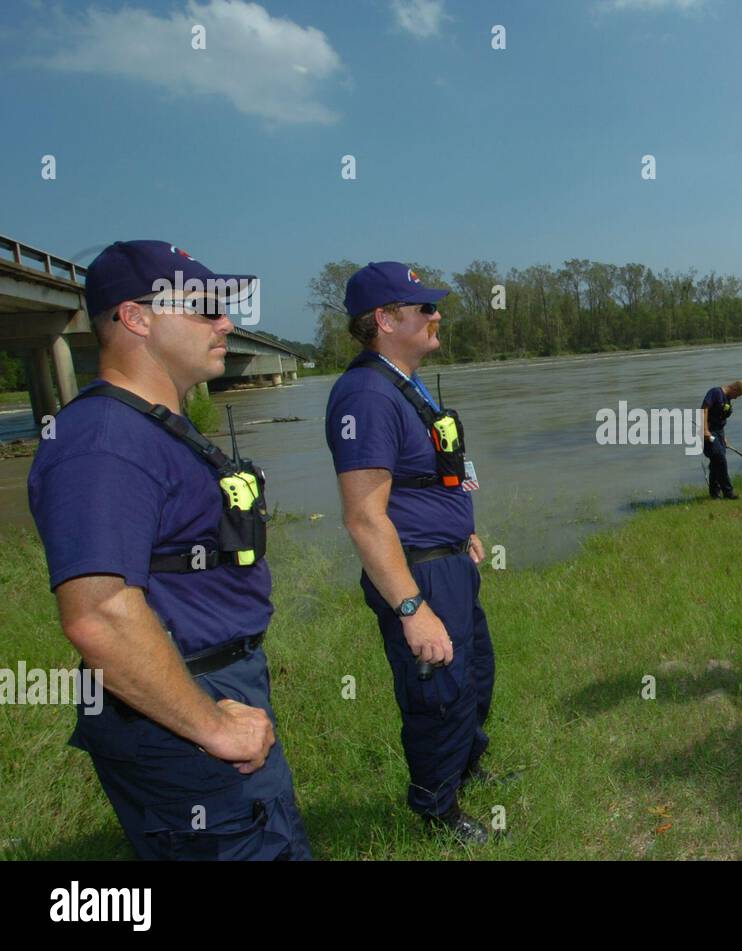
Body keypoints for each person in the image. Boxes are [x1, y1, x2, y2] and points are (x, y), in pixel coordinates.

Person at [27, 240, 311, 860]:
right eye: (206, 307)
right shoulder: (102, 442)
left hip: (209, 689)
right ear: (137, 317)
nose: (227, 322)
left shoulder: (155, 426)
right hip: (180, 710)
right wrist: (211, 727)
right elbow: (98, 614)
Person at [325, 261, 496, 845]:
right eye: (423, 307)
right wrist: (411, 608)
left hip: (448, 558)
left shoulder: (405, 382)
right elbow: (364, 517)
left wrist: (461, 530)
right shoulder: (366, 394)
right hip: (417, 572)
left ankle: (466, 772)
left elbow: (425, 478)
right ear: (384, 319)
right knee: (438, 695)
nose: (436, 314)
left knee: (474, 674)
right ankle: (436, 808)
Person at [701, 380, 742, 499]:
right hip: (709, 431)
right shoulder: (715, 392)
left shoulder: (727, 399)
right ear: (734, 389)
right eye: (737, 395)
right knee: (720, 460)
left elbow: (720, 420)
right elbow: (703, 409)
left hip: (719, 433)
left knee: (716, 463)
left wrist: (724, 438)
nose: (736, 398)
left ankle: (714, 493)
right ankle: (728, 492)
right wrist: (705, 430)